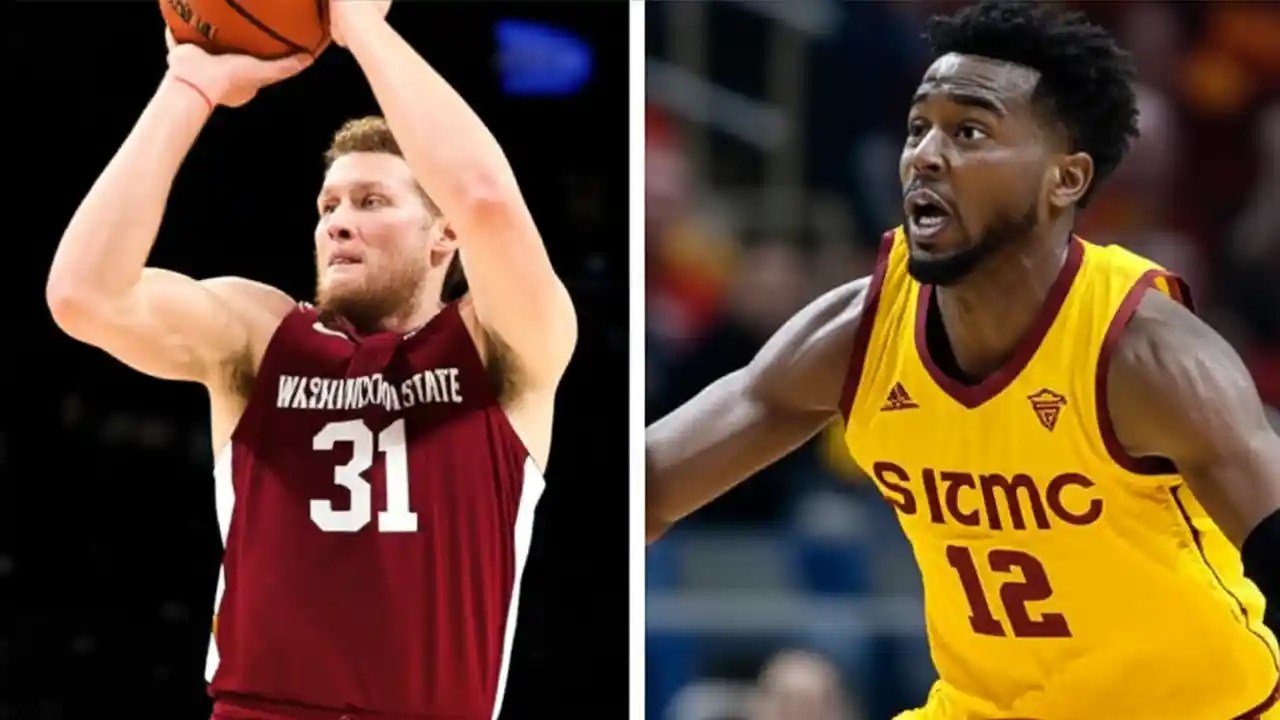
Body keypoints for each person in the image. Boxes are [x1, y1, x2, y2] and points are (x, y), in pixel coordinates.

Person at [646, 3, 1280, 718]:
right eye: (918, 127)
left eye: (969, 131)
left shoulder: (1146, 353)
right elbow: (652, 486)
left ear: (1065, 179)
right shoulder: (861, 333)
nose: (925, 154)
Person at [45, 2, 576, 719]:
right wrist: (189, 83)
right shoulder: (262, 336)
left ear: (443, 234)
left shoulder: (501, 345)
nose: (338, 223)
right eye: (328, 206)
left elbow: (485, 198)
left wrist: (362, 27)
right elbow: (82, 295)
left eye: (371, 201)